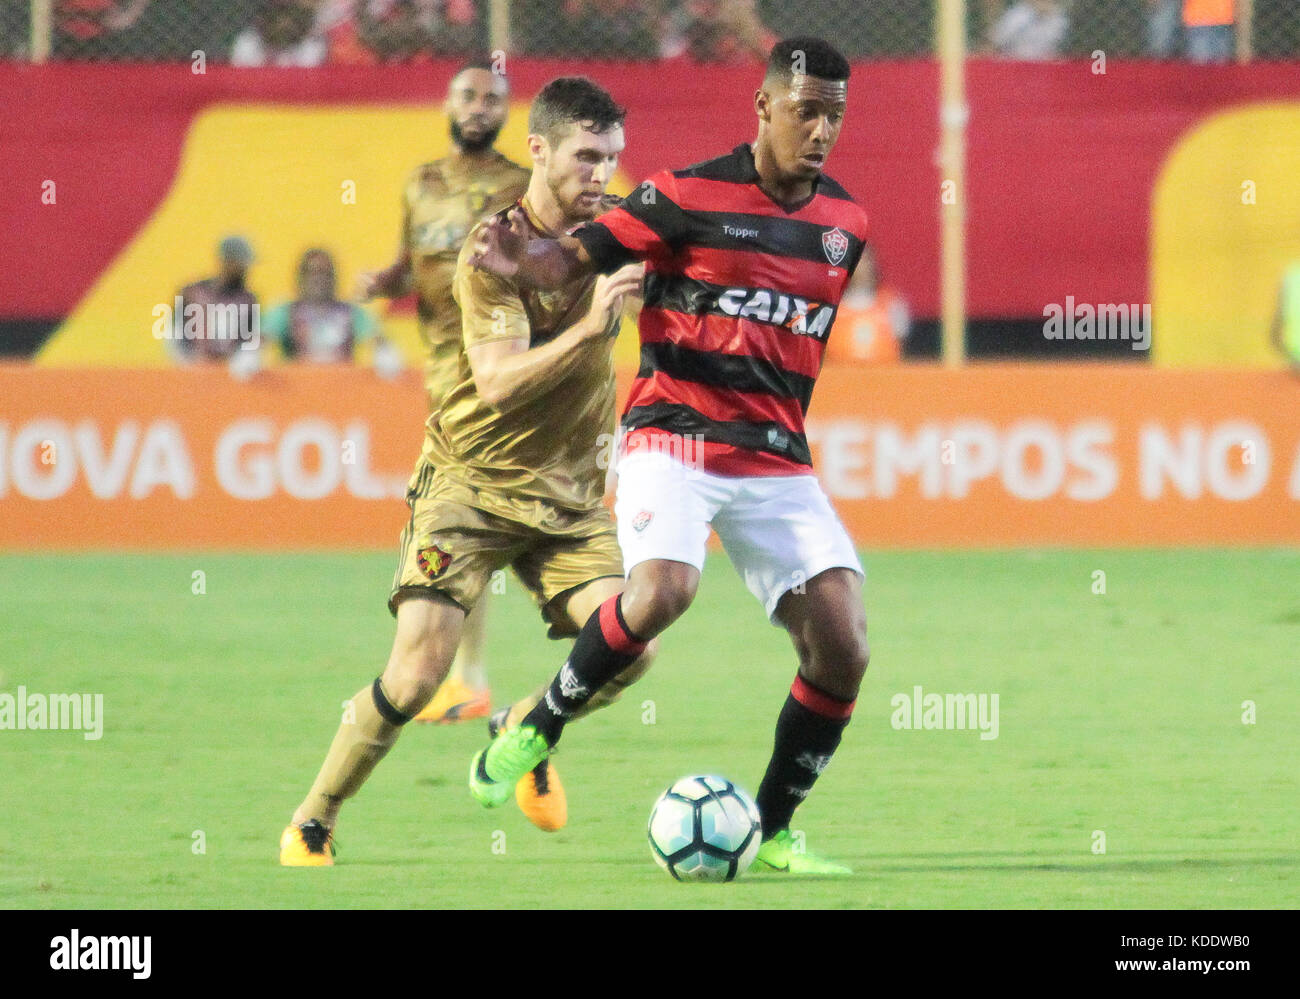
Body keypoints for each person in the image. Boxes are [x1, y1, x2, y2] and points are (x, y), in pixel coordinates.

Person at [466, 37, 870, 875]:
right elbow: (566, 258)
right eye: (805, 110)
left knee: (843, 645)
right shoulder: (680, 194)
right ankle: (535, 724)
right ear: (763, 107)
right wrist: (516, 256)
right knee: (665, 589)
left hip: (773, 456)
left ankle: (773, 828)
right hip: (673, 432)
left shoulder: (845, 225)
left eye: (834, 112)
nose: (822, 128)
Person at [280, 75, 652, 864]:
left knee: (632, 642)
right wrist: (592, 329)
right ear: (541, 151)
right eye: (587, 156)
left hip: (572, 503)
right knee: (418, 675)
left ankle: (527, 722)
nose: (602, 174)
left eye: (613, 158)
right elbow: (498, 380)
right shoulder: (494, 250)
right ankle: (315, 815)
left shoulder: (620, 232)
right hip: (470, 485)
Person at [356, 60, 529, 726]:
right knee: (457, 516)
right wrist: (385, 279)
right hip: (444, 375)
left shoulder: (522, 186)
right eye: (469, 95)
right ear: (449, 106)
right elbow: (412, 263)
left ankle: (463, 674)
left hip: (496, 370)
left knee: (456, 515)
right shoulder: (419, 185)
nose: (480, 106)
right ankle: (459, 672)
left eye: (492, 98)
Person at [260, 248, 400, 373]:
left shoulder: (350, 312)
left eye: (325, 273)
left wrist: (384, 352)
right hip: (298, 389)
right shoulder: (286, 312)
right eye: (313, 272)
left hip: (341, 389)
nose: (319, 279)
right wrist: (250, 353)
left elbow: (375, 336)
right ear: (300, 277)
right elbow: (263, 336)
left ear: (334, 277)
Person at [171, 236, 260, 368]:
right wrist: (188, 363)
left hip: (229, 375)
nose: (245, 271)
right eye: (241, 265)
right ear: (227, 262)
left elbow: (249, 340)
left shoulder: (248, 300)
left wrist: (240, 361)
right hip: (193, 370)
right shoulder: (193, 293)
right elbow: (174, 334)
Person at [822, 242, 910, 365]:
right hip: (841, 380)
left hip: (885, 379)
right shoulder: (829, 307)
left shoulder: (892, 304)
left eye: (866, 262)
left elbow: (901, 346)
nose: (861, 268)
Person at [1268, 259, 1300, 372]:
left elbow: (1278, 315)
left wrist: (1274, 337)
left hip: (1293, 348)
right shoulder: (1291, 275)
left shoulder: (1291, 274)